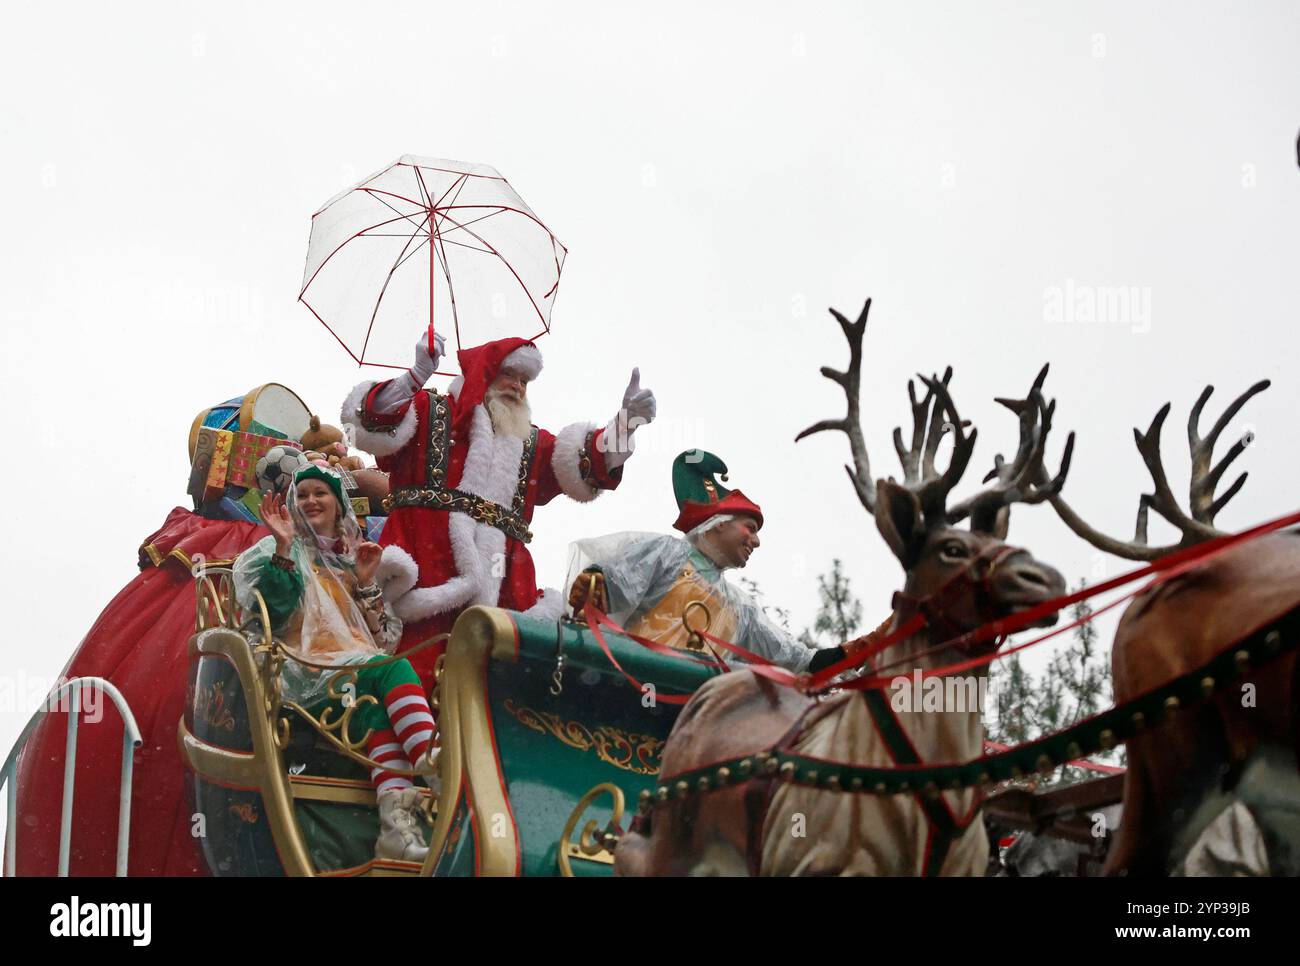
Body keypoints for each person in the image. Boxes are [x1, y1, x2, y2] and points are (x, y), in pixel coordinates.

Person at [342, 330, 655, 687]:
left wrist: (625, 425)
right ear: (483, 373)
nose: (518, 388)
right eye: (509, 375)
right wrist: (415, 376)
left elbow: (589, 462)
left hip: (503, 585)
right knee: (413, 674)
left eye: (524, 381)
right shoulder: (430, 411)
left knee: (493, 689)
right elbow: (368, 421)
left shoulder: (530, 443)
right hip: (426, 573)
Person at [234, 464, 438, 863]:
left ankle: (397, 829)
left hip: (351, 681)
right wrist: (281, 548)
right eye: (303, 494)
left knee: (377, 712)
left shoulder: (350, 562)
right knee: (394, 670)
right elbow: (270, 616)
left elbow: (383, 639)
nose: (311, 500)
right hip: (302, 677)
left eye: (320, 493)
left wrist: (363, 582)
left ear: (338, 504)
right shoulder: (280, 550)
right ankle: (439, 770)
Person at [567, 450, 877, 674]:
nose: (756, 541)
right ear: (718, 523)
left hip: (695, 719)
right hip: (633, 685)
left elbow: (795, 659)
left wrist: (861, 647)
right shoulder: (669, 553)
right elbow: (618, 582)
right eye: (750, 528)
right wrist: (596, 582)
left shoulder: (741, 609)